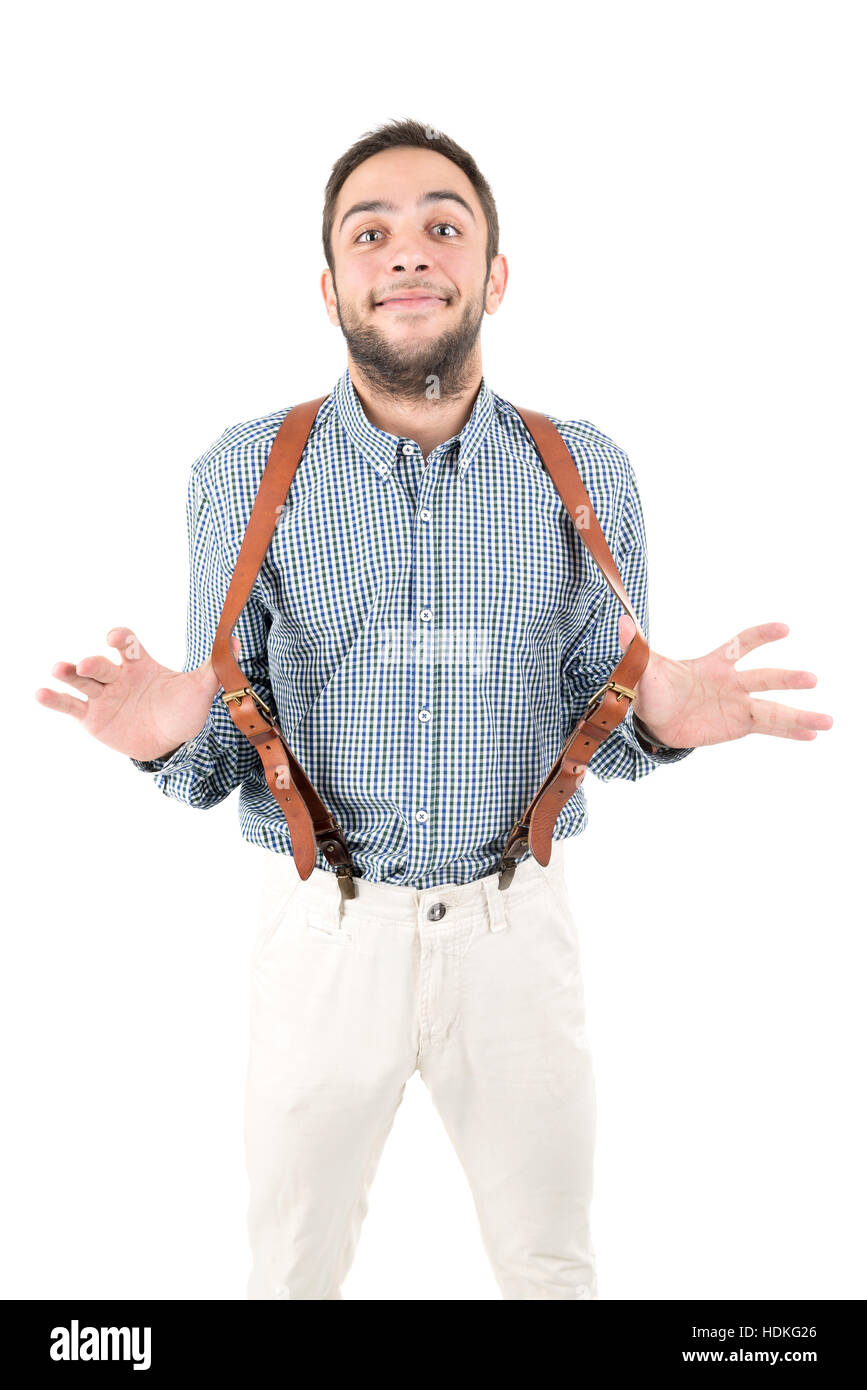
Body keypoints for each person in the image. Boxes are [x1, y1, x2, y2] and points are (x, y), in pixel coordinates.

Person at [35, 119, 833, 1301]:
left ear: (493, 275)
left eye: (441, 226)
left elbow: (602, 727)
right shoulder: (243, 471)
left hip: (519, 935)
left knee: (552, 1270)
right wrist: (166, 740)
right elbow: (213, 753)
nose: (407, 252)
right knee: (289, 1275)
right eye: (372, 232)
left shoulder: (588, 468)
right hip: (320, 938)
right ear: (332, 286)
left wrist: (657, 717)